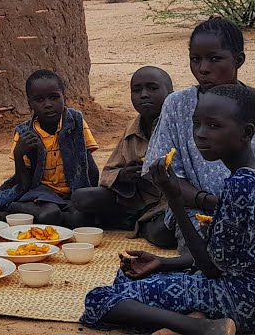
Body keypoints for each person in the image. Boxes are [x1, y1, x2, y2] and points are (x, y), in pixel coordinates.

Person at [80, 85, 255, 334]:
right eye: (196, 124)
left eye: (214, 126)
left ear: (246, 133)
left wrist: (175, 199)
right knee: (129, 278)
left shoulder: (241, 185)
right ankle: (199, 316)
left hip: (239, 301)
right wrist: (163, 263)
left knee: (99, 298)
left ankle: (201, 327)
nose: (200, 134)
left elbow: (211, 267)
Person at [143, 17, 255, 246]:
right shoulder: (177, 104)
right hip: (195, 210)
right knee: (212, 251)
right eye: (195, 59)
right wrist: (209, 202)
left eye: (215, 59)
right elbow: (166, 173)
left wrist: (237, 207)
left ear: (238, 60)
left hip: (253, 210)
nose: (203, 69)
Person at [0, 69, 99, 227]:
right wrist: (19, 154)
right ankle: (11, 210)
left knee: (82, 220)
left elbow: (90, 167)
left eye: (54, 97)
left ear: (64, 97)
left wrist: (89, 197)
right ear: (29, 104)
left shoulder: (77, 122)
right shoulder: (24, 133)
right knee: (50, 215)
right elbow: (23, 182)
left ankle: (14, 217)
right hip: (42, 192)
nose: (48, 105)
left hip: (73, 192)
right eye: (39, 100)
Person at [70, 66, 176, 247]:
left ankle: (139, 225)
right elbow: (109, 172)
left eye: (152, 88)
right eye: (137, 90)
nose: (144, 94)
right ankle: (134, 220)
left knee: (163, 235)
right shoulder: (132, 128)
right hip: (134, 198)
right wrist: (124, 175)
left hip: (166, 202)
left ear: (171, 93)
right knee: (81, 198)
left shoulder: (178, 126)